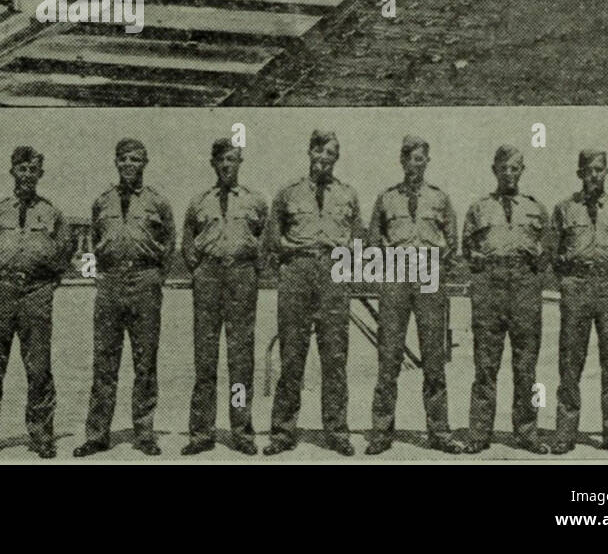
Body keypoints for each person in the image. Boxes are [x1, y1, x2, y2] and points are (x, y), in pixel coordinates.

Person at [264, 129, 363, 456]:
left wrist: (344, 276)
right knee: (292, 356)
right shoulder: (287, 194)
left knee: (335, 358)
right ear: (309, 153)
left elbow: (357, 241)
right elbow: (270, 242)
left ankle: (336, 431)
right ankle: (282, 432)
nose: (323, 159)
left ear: (337, 158)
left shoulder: (348, 195)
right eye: (318, 152)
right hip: (297, 273)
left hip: (334, 275)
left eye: (330, 153)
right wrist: (289, 270)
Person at [74, 138, 175, 457]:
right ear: (116, 163)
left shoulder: (158, 202)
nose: (129, 165)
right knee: (104, 361)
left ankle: (144, 432)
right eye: (123, 159)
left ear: (145, 163)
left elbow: (169, 243)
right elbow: (92, 241)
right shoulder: (101, 201)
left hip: (146, 281)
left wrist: (157, 276)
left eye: (135, 159)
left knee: (145, 362)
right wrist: (98, 279)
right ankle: (97, 433)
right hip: (110, 282)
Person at [0, 146, 72, 459]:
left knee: (39, 367)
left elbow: (64, 253)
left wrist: (45, 284)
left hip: (36, 294)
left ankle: (41, 435)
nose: (27, 175)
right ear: (13, 171)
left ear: (40, 174)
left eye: (33, 170)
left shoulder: (52, 213)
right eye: (22, 169)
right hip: (0, 294)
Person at [366, 135, 463, 455]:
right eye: (409, 159)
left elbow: (452, 241)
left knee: (434, 358)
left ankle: (439, 431)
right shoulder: (386, 198)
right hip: (395, 277)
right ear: (402, 161)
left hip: (428, 277)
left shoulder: (440, 198)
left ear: (426, 162)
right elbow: (374, 239)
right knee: (389, 357)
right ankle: (381, 431)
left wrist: (433, 269)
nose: (414, 165)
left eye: (420, 159)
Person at [181, 138, 268, 456]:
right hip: (208, 278)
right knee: (205, 358)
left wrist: (250, 270)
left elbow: (265, 241)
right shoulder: (199, 201)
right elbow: (187, 242)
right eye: (222, 160)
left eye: (233, 159)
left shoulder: (255, 201)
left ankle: (242, 431)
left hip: (241, 278)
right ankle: (202, 432)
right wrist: (200, 270)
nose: (228, 165)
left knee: (240, 360)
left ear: (240, 163)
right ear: (213, 164)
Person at [462, 146, 550, 454]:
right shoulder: (478, 208)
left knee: (526, 365)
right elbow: (467, 250)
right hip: (490, 285)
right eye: (504, 168)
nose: (509, 173)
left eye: (515, 168)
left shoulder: (536, 208)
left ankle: (527, 432)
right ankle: (479, 433)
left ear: (522, 170)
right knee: (485, 364)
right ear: (494, 170)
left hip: (525, 286)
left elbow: (546, 254)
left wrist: (529, 275)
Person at [551, 150, 608, 454]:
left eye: (599, 170)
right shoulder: (564, 208)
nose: (594, 175)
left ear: (606, 172)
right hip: (577, 286)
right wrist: (569, 280)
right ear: (580, 173)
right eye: (588, 170)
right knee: (570, 362)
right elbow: (552, 251)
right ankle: (564, 433)